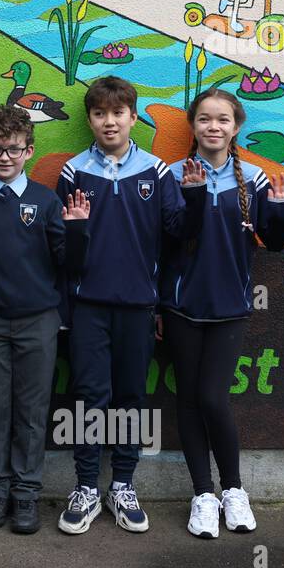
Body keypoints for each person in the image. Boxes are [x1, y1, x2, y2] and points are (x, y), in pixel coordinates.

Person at [55, 76, 206, 535]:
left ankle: (122, 484)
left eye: (118, 113)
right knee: (88, 398)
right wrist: (77, 231)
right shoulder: (73, 172)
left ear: (133, 117)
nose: (109, 121)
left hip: (139, 307)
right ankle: (85, 487)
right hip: (88, 309)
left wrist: (196, 199)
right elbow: (64, 254)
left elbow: (180, 234)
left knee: (130, 399)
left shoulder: (158, 172)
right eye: (100, 113)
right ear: (90, 119)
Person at [0, 105, 89, 534]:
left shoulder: (46, 201)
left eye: (14, 149)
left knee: (30, 411)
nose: (5, 157)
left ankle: (27, 495)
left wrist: (78, 230)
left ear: (29, 150)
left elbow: (69, 265)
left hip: (37, 321)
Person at [160, 89, 284, 539]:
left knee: (213, 399)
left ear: (235, 127)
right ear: (193, 126)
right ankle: (203, 495)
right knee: (188, 399)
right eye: (204, 119)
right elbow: (170, 237)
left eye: (222, 120)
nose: (213, 127)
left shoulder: (255, 179)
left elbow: (275, 241)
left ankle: (233, 490)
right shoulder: (175, 175)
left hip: (231, 309)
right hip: (182, 308)